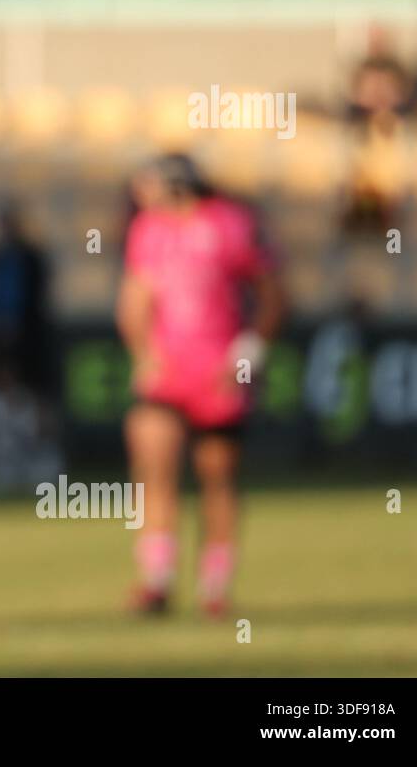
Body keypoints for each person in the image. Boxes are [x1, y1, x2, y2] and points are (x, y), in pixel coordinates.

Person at [116, 154, 284, 618]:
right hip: (167, 373)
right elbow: (135, 298)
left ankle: (215, 584)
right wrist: (143, 353)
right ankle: (157, 578)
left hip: (219, 373)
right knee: (153, 468)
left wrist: (247, 356)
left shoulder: (232, 223)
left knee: (218, 476)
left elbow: (273, 295)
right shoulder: (148, 229)